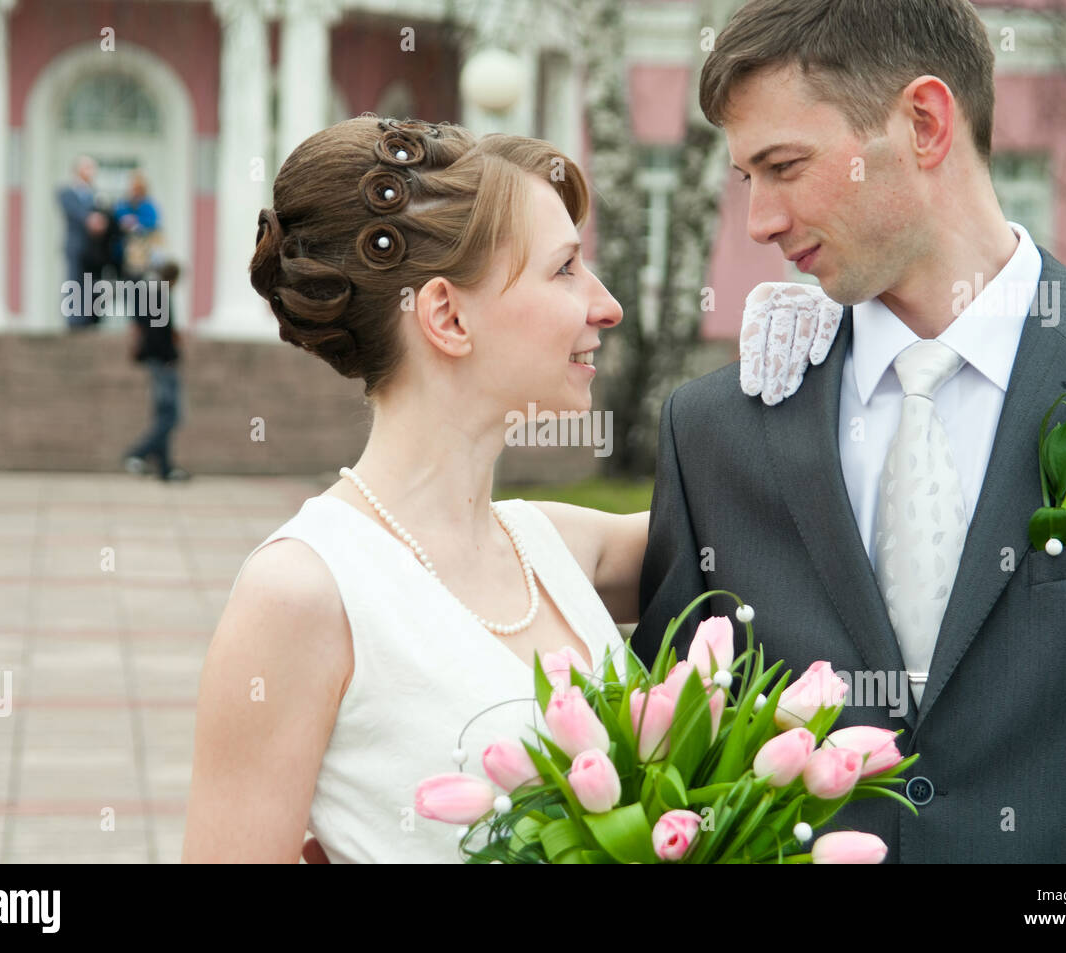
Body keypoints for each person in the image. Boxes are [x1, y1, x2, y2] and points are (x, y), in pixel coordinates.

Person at [632, 0, 1066, 863]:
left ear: (924, 123)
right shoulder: (714, 428)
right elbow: (675, 768)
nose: (759, 220)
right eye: (748, 178)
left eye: (784, 165)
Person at [180, 117, 830, 863]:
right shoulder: (302, 590)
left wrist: (830, 355)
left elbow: (775, 522)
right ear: (448, 317)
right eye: (564, 269)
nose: (606, 305)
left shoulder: (556, 545)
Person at [123, 259, 189, 482]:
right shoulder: (159, 294)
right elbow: (159, 333)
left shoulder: (146, 292)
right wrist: (172, 355)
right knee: (171, 416)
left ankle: (165, 468)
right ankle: (138, 453)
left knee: (163, 414)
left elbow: (140, 327)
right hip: (163, 361)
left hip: (154, 359)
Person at [56, 155, 104, 331]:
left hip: (93, 251)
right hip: (76, 247)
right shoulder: (66, 192)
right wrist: (89, 219)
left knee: (91, 285)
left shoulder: (95, 194)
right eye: (87, 168)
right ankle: (74, 321)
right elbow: (74, 211)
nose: (91, 172)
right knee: (74, 283)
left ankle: (89, 320)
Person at [115, 171, 162, 280]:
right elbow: (117, 218)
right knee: (127, 285)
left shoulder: (149, 206)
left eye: (137, 189)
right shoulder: (123, 204)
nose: (135, 192)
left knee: (141, 286)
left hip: (144, 254)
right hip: (124, 255)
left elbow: (153, 223)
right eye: (133, 188)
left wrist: (137, 222)